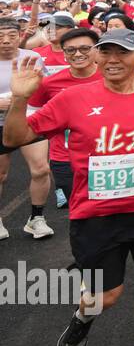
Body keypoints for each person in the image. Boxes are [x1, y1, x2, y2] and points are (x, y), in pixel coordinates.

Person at [4, 29, 134, 346]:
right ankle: (81, 318)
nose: (112, 60)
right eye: (105, 53)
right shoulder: (72, 99)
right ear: (96, 58)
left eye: (122, 53)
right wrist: (19, 99)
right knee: (106, 296)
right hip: (95, 215)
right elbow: (14, 137)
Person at [25, 27, 103, 213]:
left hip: (109, 156)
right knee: (82, 213)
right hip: (66, 160)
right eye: (70, 50)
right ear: (64, 53)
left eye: (85, 49)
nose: (78, 54)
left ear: (97, 50)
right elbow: (32, 116)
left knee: (114, 215)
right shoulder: (49, 83)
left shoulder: (112, 77)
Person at [0, 17, 54, 240]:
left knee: (41, 169)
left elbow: (45, 87)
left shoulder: (33, 57)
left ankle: (36, 219)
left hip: (30, 119)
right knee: (1, 175)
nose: (5, 41)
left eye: (11, 36)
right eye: (1, 36)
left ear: (20, 36)